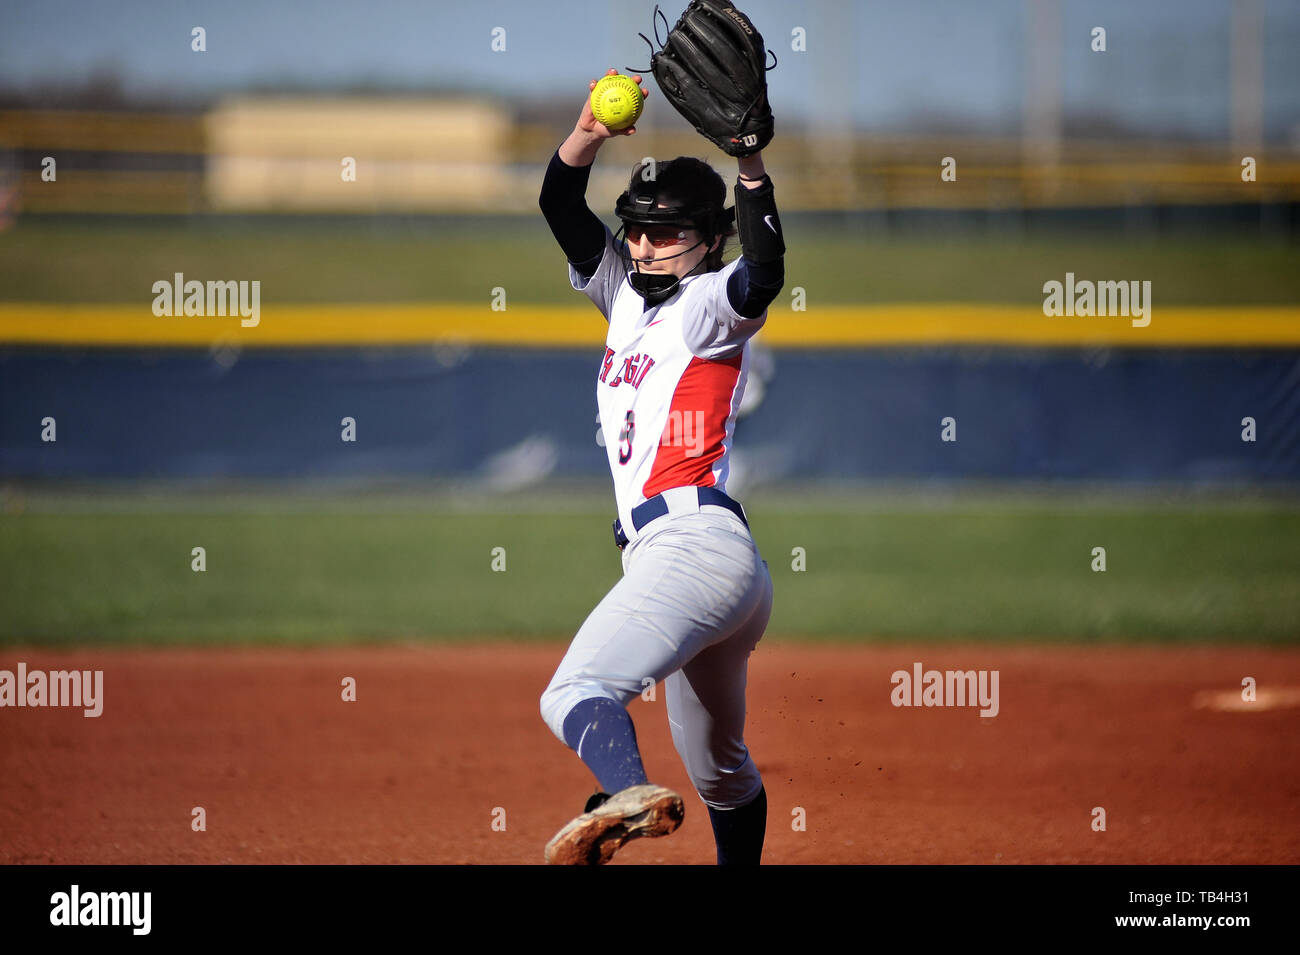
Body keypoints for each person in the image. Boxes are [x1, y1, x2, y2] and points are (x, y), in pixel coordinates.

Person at [537, 68, 786, 865]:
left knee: (573, 691)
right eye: (638, 229)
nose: (646, 244)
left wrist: (750, 169)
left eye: (668, 232)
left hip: (692, 547)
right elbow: (558, 206)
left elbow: (765, 273)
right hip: (715, 567)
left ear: (711, 237)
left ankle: (626, 793)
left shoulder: (710, 302)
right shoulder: (621, 292)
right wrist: (590, 131)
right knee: (721, 772)